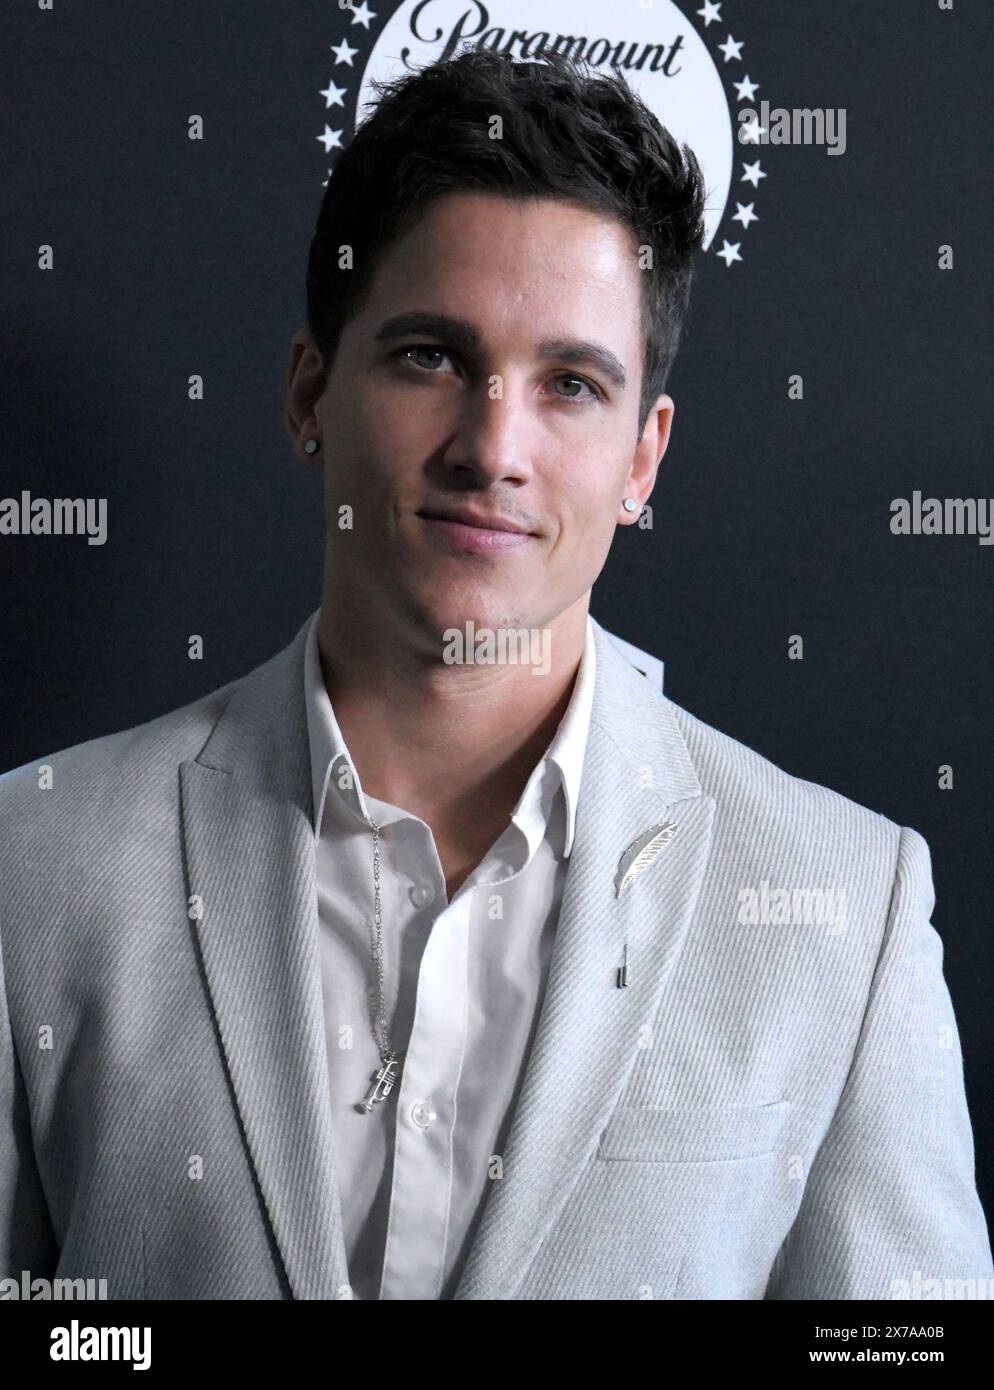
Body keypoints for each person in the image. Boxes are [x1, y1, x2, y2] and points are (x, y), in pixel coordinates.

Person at [1, 48, 990, 1302]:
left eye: (570, 384)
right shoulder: (36, 865)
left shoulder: (843, 907)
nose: (493, 447)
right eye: (430, 357)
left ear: (642, 459)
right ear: (310, 394)